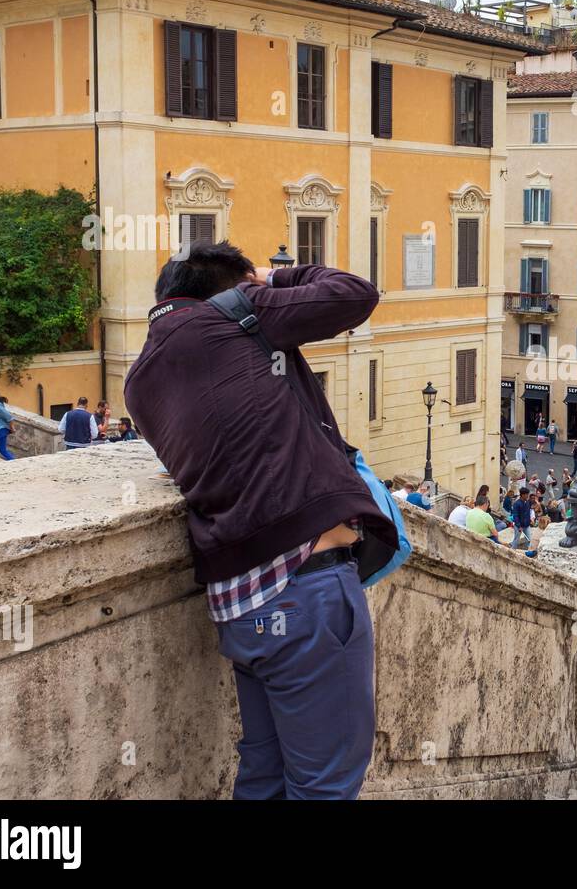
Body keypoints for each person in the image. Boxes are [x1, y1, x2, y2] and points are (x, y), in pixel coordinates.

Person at [124, 240, 390, 800]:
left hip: (239, 605)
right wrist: (272, 277)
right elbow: (355, 294)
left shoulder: (141, 379)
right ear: (233, 286)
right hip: (306, 588)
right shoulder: (236, 311)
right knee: (325, 786)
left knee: (265, 779)